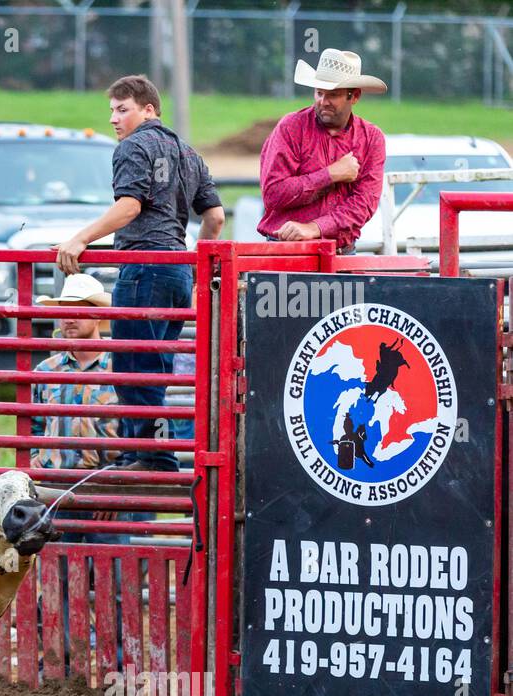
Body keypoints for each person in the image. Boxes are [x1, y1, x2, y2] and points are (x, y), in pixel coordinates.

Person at [54, 74, 224, 473]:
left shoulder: (134, 146)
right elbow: (214, 218)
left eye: (123, 109)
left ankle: (150, 456)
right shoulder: (189, 153)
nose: (114, 119)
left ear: (149, 110)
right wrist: (196, 270)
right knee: (155, 369)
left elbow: (129, 207)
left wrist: (80, 239)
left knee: (133, 369)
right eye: (112, 110)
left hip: (144, 265)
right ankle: (147, 452)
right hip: (177, 269)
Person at [257, 48, 387, 253]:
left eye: (333, 95)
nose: (323, 101)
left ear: (354, 96)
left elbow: (364, 204)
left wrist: (314, 228)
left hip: (341, 252)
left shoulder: (372, 138)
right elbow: (273, 194)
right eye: (319, 92)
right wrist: (330, 174)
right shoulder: (291, 127)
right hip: (286, 250)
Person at [29, 273, 123, 543]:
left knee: (113, 577)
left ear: (97, 316)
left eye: (78, 310)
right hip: (55, 491)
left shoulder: (121, 368)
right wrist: (37, 460)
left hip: (105, 490)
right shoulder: (46, 371)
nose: (69, 318)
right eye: (64, 312)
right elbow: (34, 425)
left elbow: (138, 434)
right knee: (61, 576)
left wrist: (118, 488)